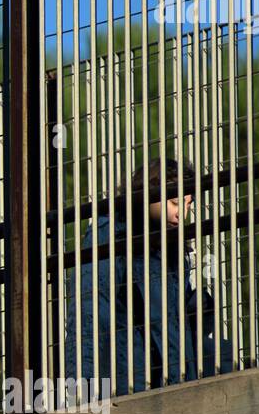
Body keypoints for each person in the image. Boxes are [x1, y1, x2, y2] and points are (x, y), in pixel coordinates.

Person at [62, 157, 235, 397]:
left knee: (223, 356)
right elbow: (89, 311)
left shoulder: (170, 244)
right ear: (150, 193)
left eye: (187, 204)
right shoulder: (111, 232)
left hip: (172, 375)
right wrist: (83, 387)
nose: (182, 214)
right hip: (130, 376)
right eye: (175, 202)